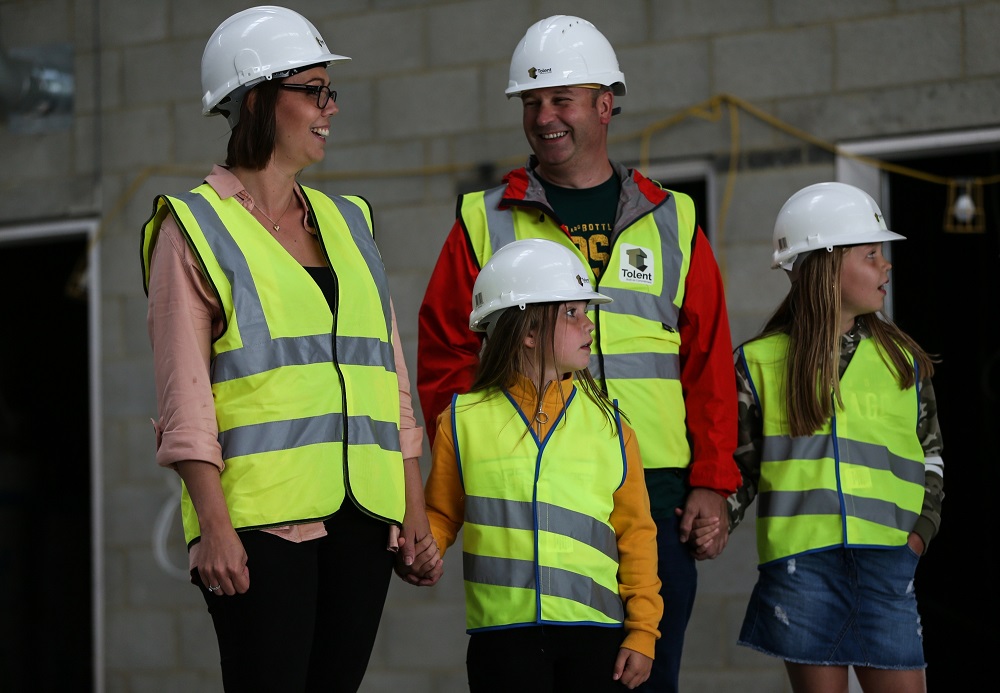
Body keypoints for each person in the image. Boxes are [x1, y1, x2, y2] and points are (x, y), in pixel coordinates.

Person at [416, 15, 741, 691]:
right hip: (535, 481)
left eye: (561, 99)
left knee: (648, 674)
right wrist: (475, 454)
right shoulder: (486, 218)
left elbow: (707, 360)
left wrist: (713, 478)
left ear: (604, 104)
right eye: (531, 102)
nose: (543, 116)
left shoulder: (672, 218)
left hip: (656, 488)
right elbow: (444, 353)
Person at [139, 6, 440, 691]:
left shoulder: (350, 221)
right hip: (258, 527)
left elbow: (391, 379)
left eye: (330, 90)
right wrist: (212, 526)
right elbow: (184, 397)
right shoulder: (192, 228)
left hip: (364, 518)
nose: (330, 107)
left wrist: (413, 510)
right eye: (314, 90)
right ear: (258, 101)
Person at [417, 238, 669, 691]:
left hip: (596, 639)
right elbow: (441, 513)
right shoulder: (460, 421)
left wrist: (644, 631)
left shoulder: (613, 426)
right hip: (503, 641)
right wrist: (425, 549)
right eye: (572, 313)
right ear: (529, 331)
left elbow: (636, 534)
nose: (588, 324)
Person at [729, 182, 945, 692]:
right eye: (871, 254)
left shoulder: (903, 362)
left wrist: (920, 533)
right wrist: (713, 520)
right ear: (826, 265)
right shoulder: (758, 362)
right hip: (802, 566)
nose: (885, 265)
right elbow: (740, 465)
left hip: (888, 560)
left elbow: (931, 456)